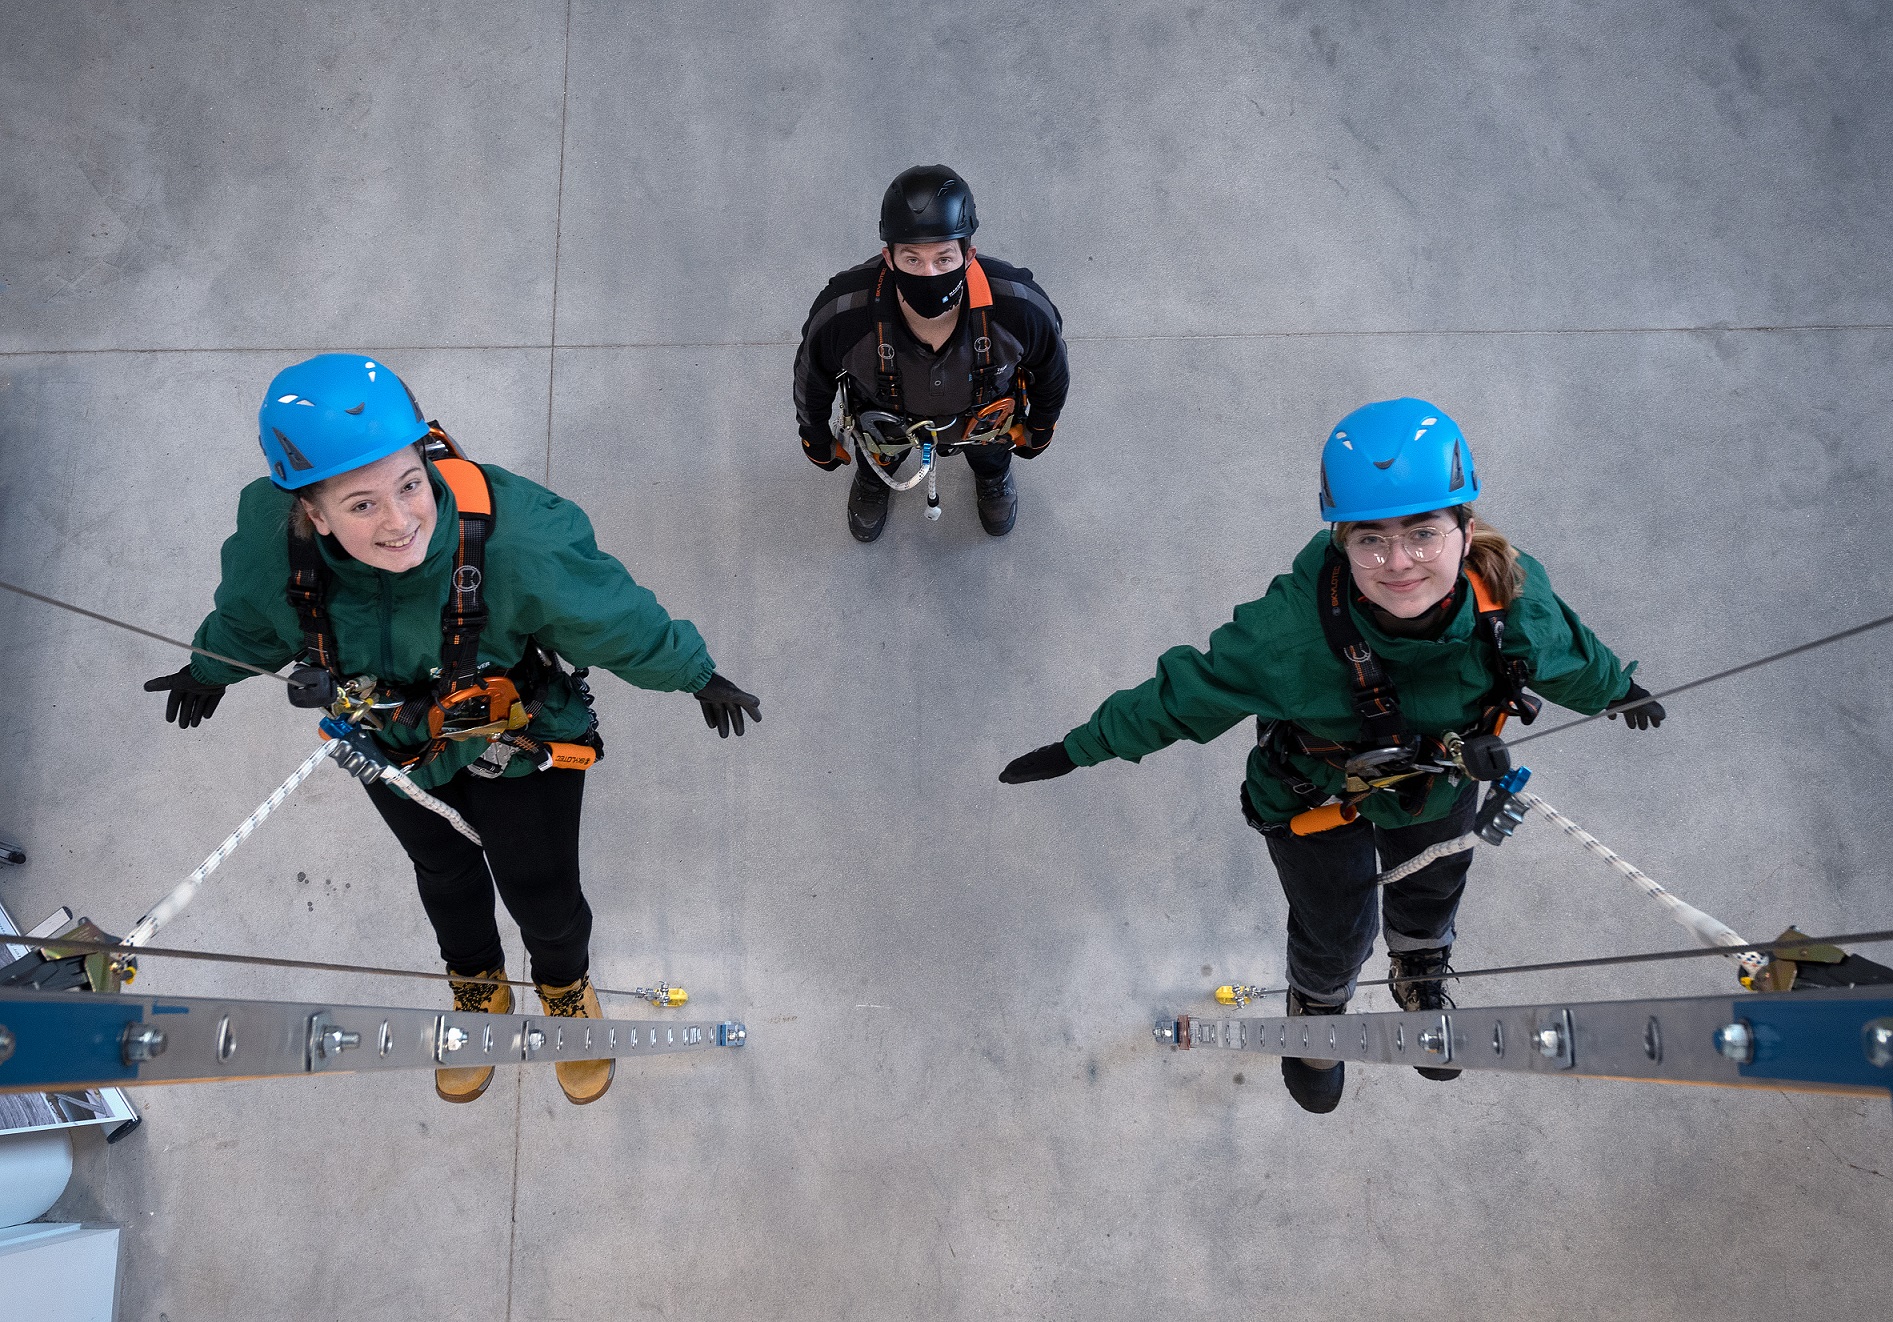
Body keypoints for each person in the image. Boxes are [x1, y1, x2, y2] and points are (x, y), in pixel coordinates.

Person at [997, 398, 1665, 1114]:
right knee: (1335, 922)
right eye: (1370, 540)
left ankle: (1418, 971)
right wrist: (1081, 747)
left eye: (1422, 533)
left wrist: (1615, 690)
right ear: (1341, 542)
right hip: (1314, 795)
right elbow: (1183, 696)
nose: (1399, 562)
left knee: (1434, 880)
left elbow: (1565, 652)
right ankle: (1316, 1011)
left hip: (1435, 785)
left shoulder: (1510, 603)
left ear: (1464, 529)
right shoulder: (1286, 635)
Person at [145, 353, 761, 1107]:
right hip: (388, 744)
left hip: (515, 740)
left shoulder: (514, 543)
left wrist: (693, 673)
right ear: (313, 512)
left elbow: (612, 617)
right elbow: (248, 618)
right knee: (442, 872)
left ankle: (564, 990)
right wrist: (211, 669)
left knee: (540, 886)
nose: (400, 521)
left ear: (426, 458)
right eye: (361, 504)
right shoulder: (281, 549)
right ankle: (479, 991)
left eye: (409, 484)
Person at [793, 164, 1070, 541]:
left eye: (943, 259)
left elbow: (1052, 371)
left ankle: (992, 476)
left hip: (983, 421)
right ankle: (876, 479)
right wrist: (814, 434)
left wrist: (1040, 425)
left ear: (968, 255)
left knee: (990, 449)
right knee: (880, 453)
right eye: (912, 260)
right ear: (889, 259)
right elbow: (812, 376)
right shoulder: (843, 315)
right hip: (887, 422)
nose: (928, 274)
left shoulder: (1020, 310)